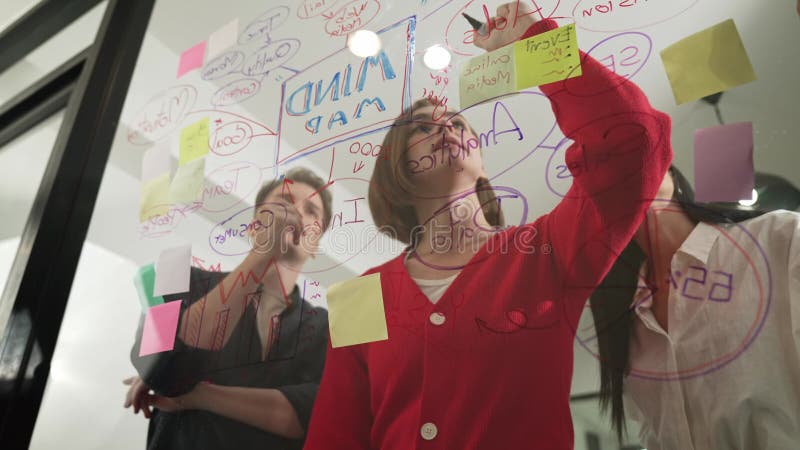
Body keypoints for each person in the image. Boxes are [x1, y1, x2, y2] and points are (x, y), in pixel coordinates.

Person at [303, 3, 673, 449]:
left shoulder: (547, 251)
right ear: (396, 170)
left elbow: (635, 138)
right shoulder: (360, 296)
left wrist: (535, 45)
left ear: (482, 166)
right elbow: (335, 435)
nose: (445, 125)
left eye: (457, 122)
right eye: (423, 126)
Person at [589, 166, 800, 449]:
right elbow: (654, 430)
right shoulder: (623, 314)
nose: (621, 175)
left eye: (633, 157)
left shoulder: (780, 238)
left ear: (670, 172)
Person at [124, 167, 332, 450]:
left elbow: (317, 415)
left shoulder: (327, 327)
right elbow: (160, 370)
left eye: (311, 211)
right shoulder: (175, 276)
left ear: (315, 244)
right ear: (254, 225)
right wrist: (262, 254)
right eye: (284, 201)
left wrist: (198, 395)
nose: (295, 212)